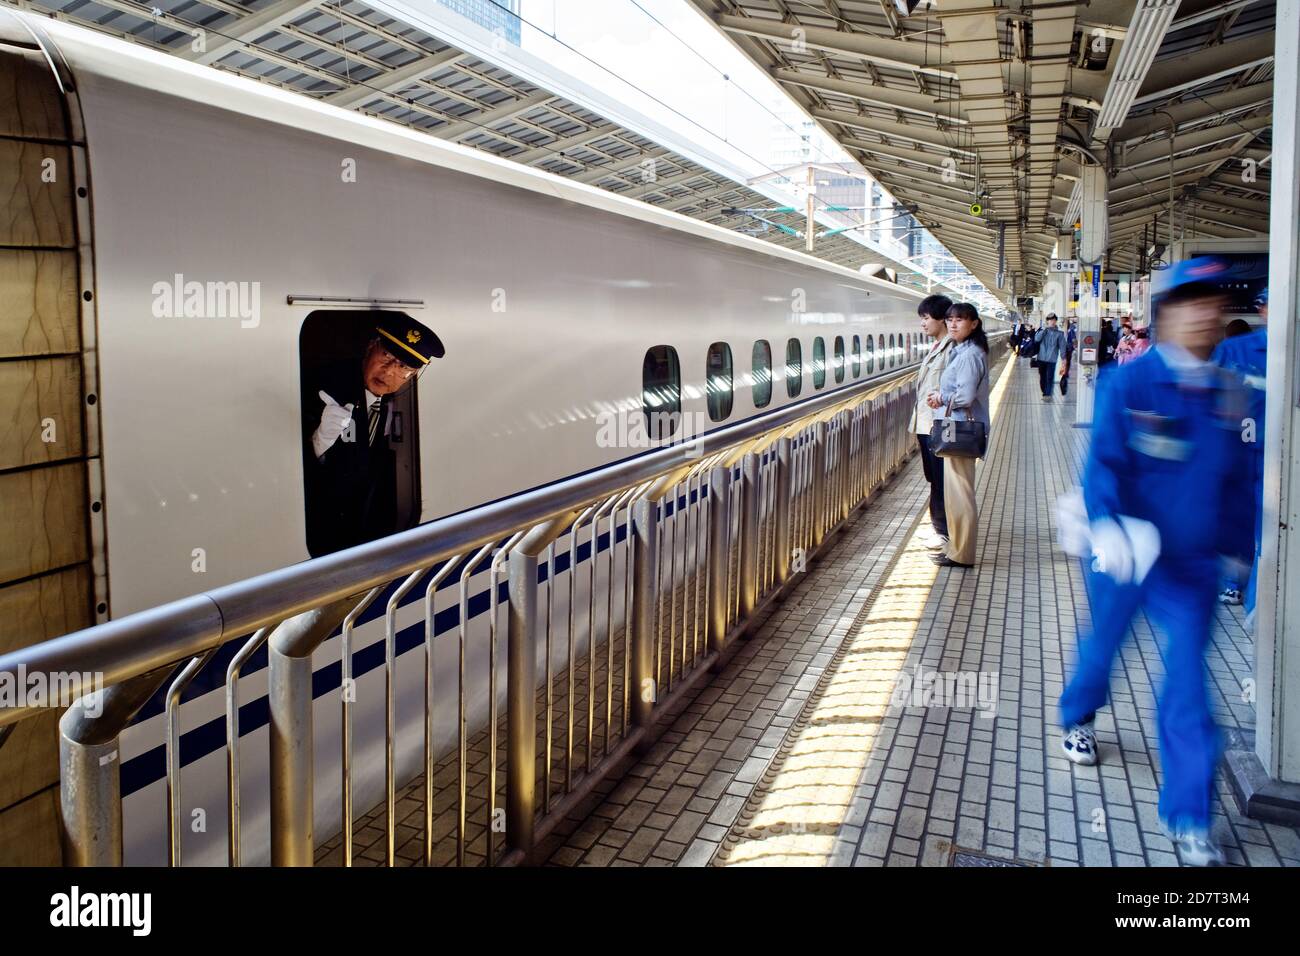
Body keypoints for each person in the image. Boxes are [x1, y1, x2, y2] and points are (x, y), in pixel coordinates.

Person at [1058, 256, 1255, 866]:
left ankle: (1189, 815)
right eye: (1189, 302)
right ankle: (1078, 715)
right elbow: (1105, 465)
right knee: (1102, 649)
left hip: (1191, 567)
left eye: (1213, 303)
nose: (1204, 313)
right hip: (1125, 554)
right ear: (1163, 314)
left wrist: (1240, 554)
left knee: (1189, 686)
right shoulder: (1131, 384)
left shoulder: (1227, 393)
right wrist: (1106, 522)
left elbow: (1240, 483)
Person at [303, 314, 445, 554]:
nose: (389, 371)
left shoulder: (387, 403)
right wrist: (321, 440)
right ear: (371, 346)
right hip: (318, 532)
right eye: (387, 356)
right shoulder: (327, 387)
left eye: (404, 366)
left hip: (351, 536)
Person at [1212, 287, 1268, 612]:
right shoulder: (1234, 351)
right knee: (1246, 524)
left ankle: (1249, 595)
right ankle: (1239, 588)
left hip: (1273, 459)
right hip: (1242, 457)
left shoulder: (1232, 351)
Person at [924, 302, 990, 568]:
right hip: (957, 429)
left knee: (960, 494)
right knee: (955, 493)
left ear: (974, 324)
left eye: (960, 320)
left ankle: (962, 554)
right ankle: (955, 548)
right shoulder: (964, 350)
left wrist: (940, 398)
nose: (952, 324)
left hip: (960, 431)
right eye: (950, 319)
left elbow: (965, 396)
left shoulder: (969, 354)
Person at [909, 294, 956, 554]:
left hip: (941, 425)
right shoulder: (937, 347)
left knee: (941, 480)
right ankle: (939, 529)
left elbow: (956, 389)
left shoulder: (951, 349)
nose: (923, 324)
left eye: (926, 318)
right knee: (934, 479)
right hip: (927, 425)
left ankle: (945, 533)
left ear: (941, 319)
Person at [1033, 314, 1067, 401]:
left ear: (1056, 321)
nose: (1052, 322)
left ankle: (1047, 395)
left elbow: (1062, 347)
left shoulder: (1060, 334)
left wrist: (1064, 359)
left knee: (1049, 377)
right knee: (1042, 377)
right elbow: (1036, 339)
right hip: (1041, 359)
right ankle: (1044, 391)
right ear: (1047, 321)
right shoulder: (1043, 331)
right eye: (1050, 320)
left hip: (1052, 360)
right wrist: (1044, 329)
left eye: (1054, 320)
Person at [1060, 318, 1077, 396]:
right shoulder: (1064, 331)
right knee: (1065, 362)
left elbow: (1073, 340)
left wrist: (1075, 346)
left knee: (1066, 362)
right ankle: (1065, 373)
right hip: (1065, 349)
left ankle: (1065, 373)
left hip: (1068, 349)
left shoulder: (1070, 330)